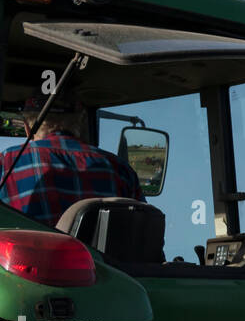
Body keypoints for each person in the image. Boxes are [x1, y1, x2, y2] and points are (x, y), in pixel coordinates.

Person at [0, 97, 144, 226]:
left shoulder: (6, 162)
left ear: (27, 127)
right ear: (80, 122)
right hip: (97, 257)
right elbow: (145, 234)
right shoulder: (120, 169)